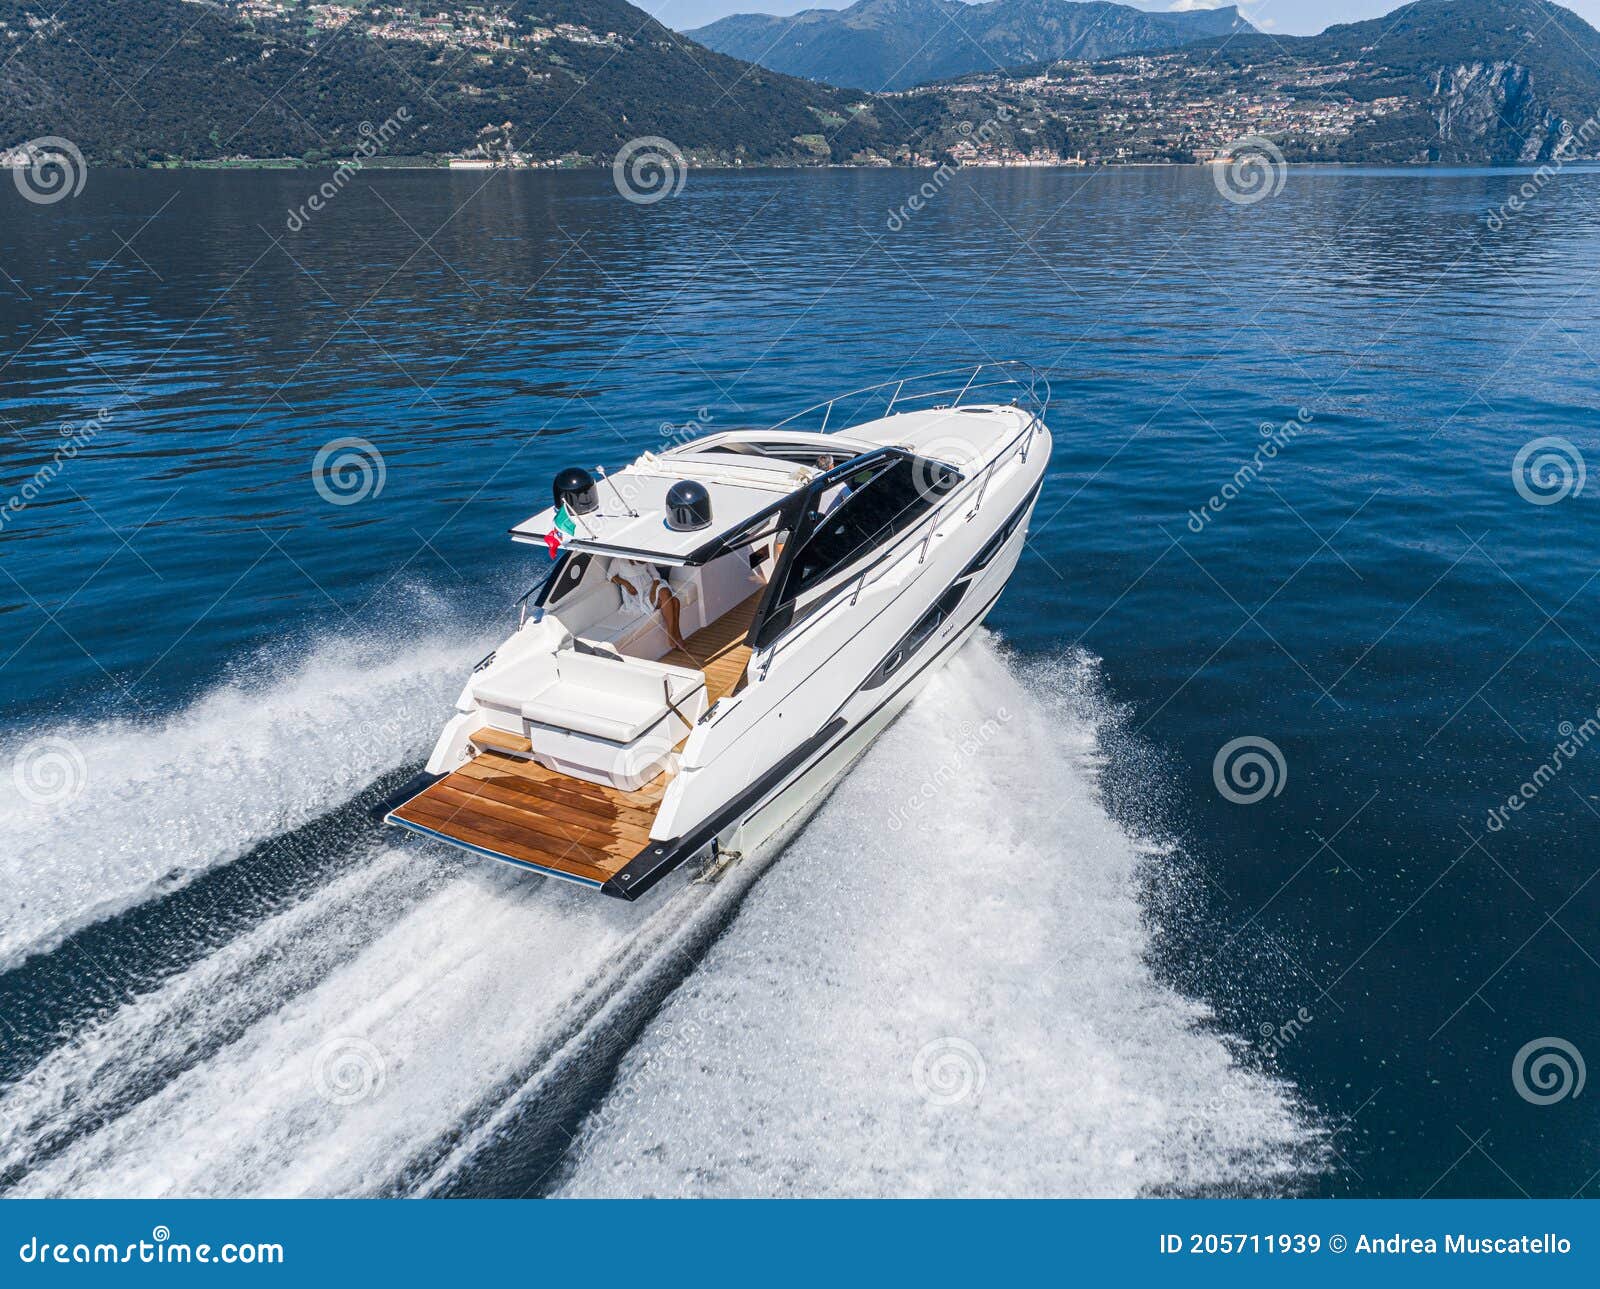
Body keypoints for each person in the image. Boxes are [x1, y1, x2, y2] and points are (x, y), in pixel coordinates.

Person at [611, 562, 687, 651]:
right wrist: (626, 584)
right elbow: (610, 576)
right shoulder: (619, 560)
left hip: (651, 587)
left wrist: (653, 590)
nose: (643, 562)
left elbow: (656, 575)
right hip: (639, 595)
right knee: (675, 601)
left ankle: (671, 634)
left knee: (666, 592)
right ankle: (677, 635)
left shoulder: (644, 557)